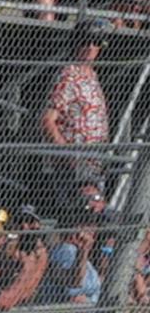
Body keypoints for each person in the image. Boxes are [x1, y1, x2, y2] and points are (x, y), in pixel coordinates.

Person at [39, 20, 109, 192]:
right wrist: (70, 156)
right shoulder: (69, 75)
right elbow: (47, 120)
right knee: (83, 210)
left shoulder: (92, 75)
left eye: (96, 42)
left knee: (94, 211)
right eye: (85, 40)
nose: (90, 47)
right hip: (73, 166)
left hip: (94, 161)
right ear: (76, 42)